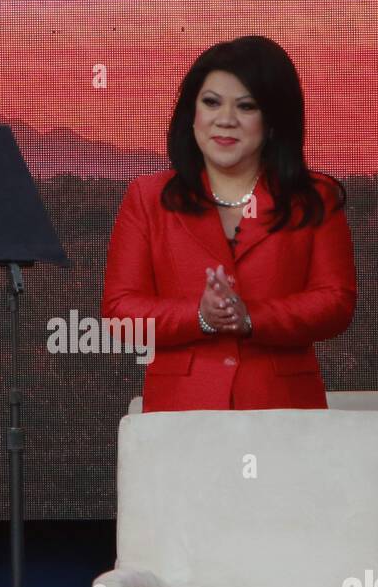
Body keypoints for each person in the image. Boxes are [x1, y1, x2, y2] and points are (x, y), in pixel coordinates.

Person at [101, 35, 356, 411]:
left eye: (246, 106)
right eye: (211, 102)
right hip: (181, 416)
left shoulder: (315, 198)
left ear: (273, 121)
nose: (225, 120)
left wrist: (252, 318)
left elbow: (336, 303)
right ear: (192, 114)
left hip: (283, 414)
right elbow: (120, 314)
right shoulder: (147, 196)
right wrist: (200, 318)